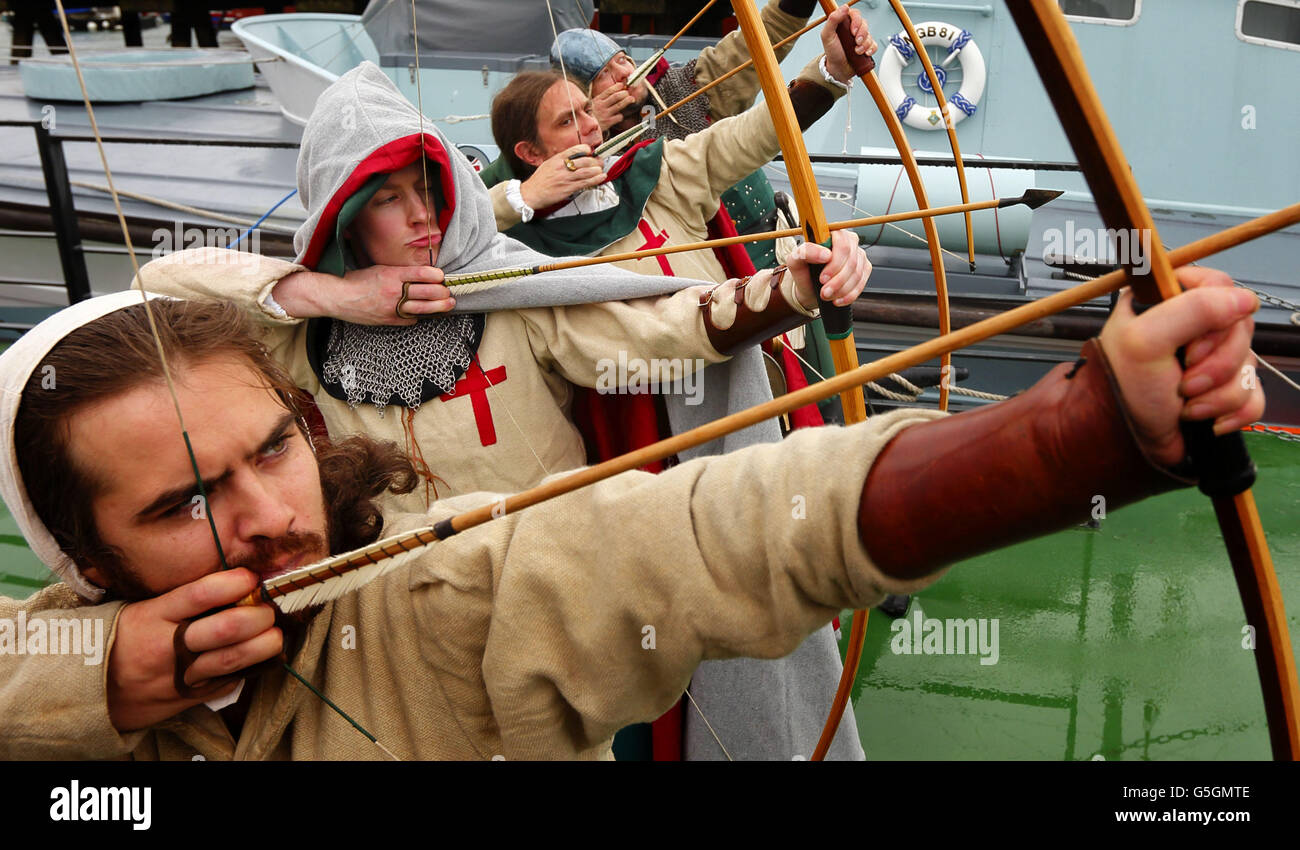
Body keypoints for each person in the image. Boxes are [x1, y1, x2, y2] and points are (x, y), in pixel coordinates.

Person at [0, 264, 1264, 758]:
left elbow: (699, 535)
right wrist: (97, 675)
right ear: (88, 562)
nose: (269, 516)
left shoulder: (435, 596)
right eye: (184, 501)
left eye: (274, 447)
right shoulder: (73, 657)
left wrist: (1066, 442)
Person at [134, 60, 870, 760]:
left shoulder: (507, 289)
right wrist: (329, 294)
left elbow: (659, 329)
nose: (421, 215)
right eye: (388, 198)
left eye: (427, 188)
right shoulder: (305, 334)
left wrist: (791, 289)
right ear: (346, 217)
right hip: (395, 632)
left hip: (544, 607)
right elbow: (157, 289)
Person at [484, 5, 872, 290]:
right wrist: (592, 125)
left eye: (622, 60)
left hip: (775, 250)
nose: (624, 74)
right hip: (710, 278)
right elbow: (485, 191)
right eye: (605, 75)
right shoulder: (589, 158)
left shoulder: (687, 85)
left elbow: (758, 46)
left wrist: (830, 72)